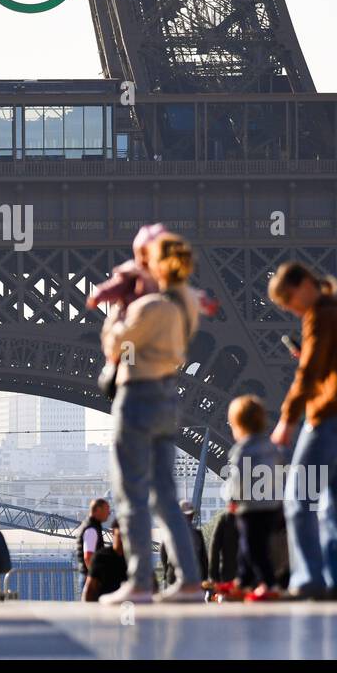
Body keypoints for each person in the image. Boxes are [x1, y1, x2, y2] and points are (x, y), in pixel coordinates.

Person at [99, 232, 206, 604]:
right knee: (165, 496)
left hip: (138, 397)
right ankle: (191, 581)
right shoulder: (185, 304)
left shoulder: (149, 309)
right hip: (166, 398)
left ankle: (140, 582)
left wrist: (117, 308)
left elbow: (116, 346)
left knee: (131, 495)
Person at [268, 262, 337, 601]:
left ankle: (308, 580)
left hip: (330, 418)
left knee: (299, 497)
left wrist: (287, 418)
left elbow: (309, 371)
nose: (289, 308)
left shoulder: (319, 315)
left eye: (287, 298)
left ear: (302, 285)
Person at [222, 395, 286, 602]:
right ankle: (242, 581)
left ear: (238, 425)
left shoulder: (242, 450)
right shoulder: (273, 448)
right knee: (250, 546)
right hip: (272, 507)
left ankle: (269, 584)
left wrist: (231, 499)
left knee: (253, 548)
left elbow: (237, 479)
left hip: (250, 508)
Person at [88, 223, 218, 317]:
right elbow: (114, 287)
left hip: (156, 318)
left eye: (145, 254)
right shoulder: (132, 273)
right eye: (139, 254)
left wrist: (202, 302)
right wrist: (98, 295)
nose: (142, 260)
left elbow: (184, 294)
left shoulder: (164, 276)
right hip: (134, 317)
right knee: (128, 344)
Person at [82, 519, 128, 602]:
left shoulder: (134, 558)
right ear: (113, 532)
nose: (123, 540)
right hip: (105, 607)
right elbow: (90, 590)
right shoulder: (101, 557)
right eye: (121, 535)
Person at [74, 497, 111, 577]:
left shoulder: (90, 526)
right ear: (98, 510)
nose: (109, 513)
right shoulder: (91, 529)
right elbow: (88, 556)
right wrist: (95, 577)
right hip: (91, 578)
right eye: (107, 509)